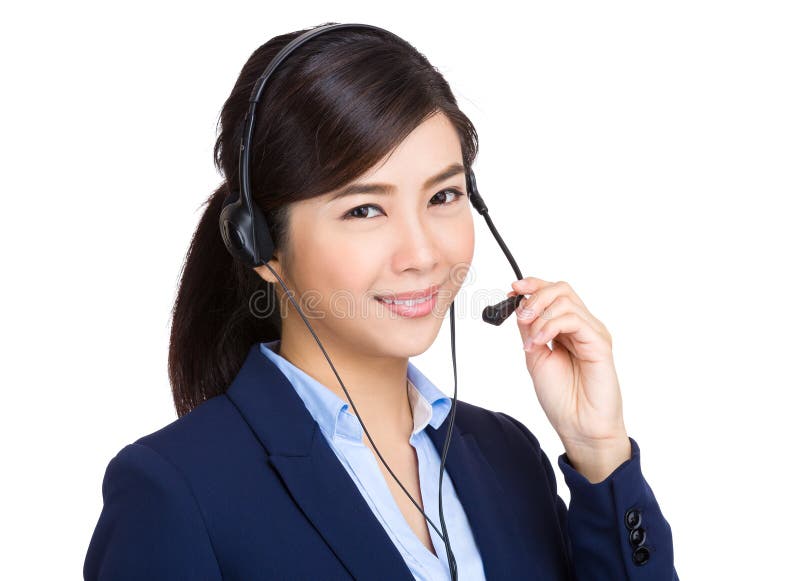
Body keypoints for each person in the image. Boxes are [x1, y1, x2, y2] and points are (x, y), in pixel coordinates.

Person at [83, 22, 678, 580]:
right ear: (261, 245)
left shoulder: (509, 457)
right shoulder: (176, 491)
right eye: (364, 209)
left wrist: (601, 454)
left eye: (443, 195)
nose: (421, 253)